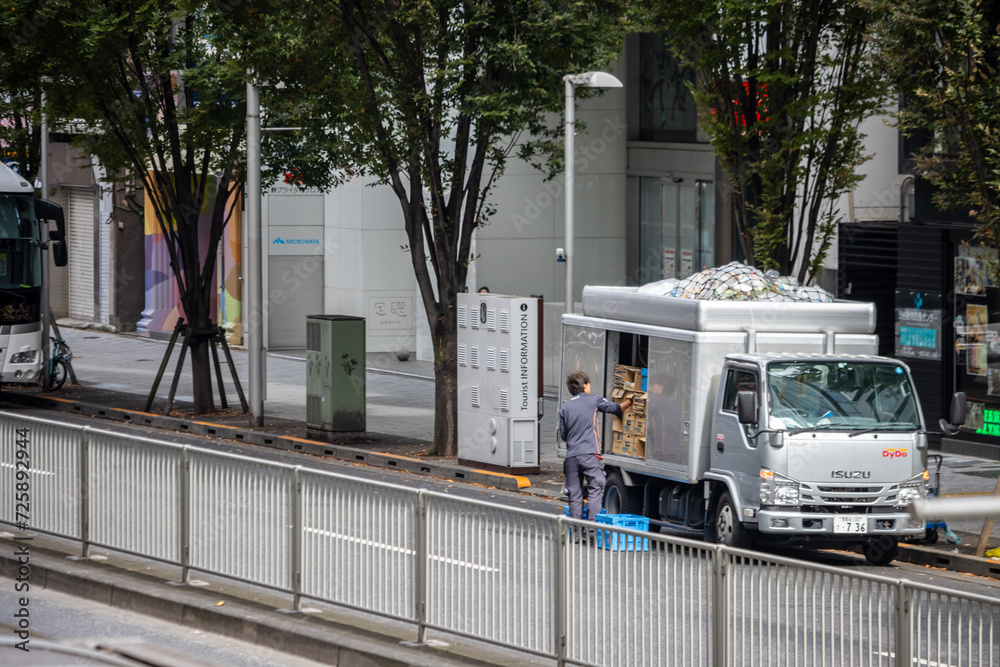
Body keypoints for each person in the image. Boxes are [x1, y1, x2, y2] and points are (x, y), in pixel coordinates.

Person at [558, 371, 631, 524]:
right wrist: (631, 400)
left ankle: (577, 533)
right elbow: (615, 408)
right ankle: (592, 531)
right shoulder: (593, 400)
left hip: (571, 457)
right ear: (585, 386)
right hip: (590, 454)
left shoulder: (565, 407)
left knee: (575, 495)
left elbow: (563, 435)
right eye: (589, 383)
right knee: (595, 490)